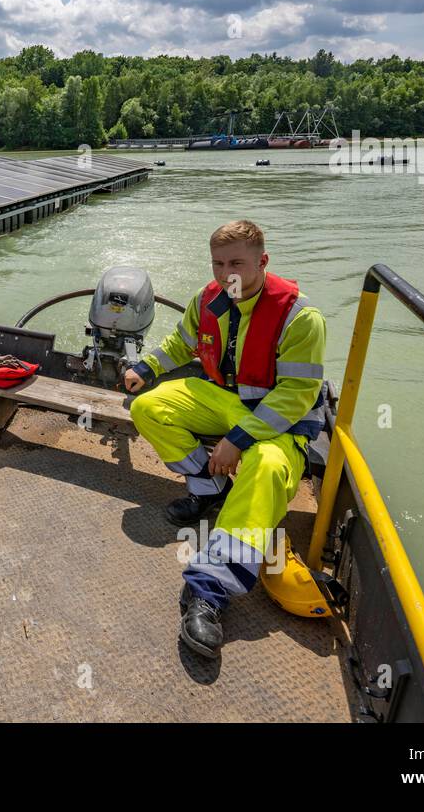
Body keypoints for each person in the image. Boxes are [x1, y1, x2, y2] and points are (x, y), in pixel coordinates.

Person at [122, 220, 327, 659]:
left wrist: (237, 439)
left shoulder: (300, 317)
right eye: (218, 263)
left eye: (236, 263)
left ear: (262, 262)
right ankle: (210, 489)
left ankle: (208, 590)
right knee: (149, 408)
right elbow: (182, 344)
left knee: (267, 466)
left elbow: (296, 396)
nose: (225, 273)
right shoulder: (207, 298)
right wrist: (147, 369)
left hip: (279, 418)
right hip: (222, 399)